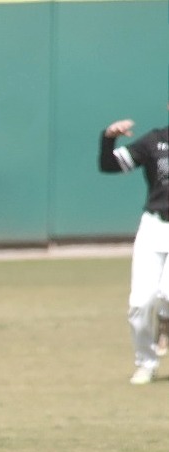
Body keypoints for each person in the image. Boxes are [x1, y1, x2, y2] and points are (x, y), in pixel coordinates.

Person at [98, 111, 169, 385]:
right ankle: (146, 363)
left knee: (167, 294)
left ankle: (165, 320)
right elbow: (110, 165)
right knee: (140, 303)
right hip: (154, 226)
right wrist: (108, 139)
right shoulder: (155, 141)